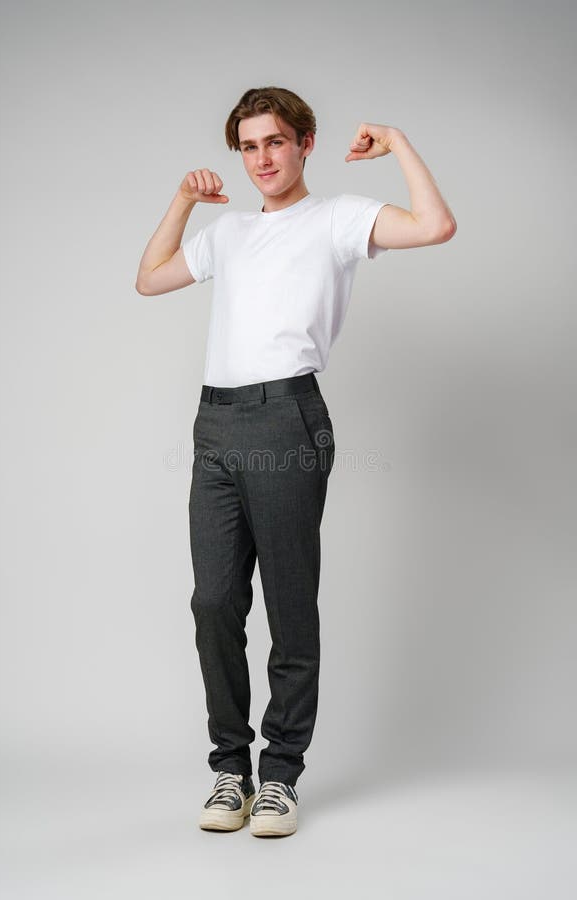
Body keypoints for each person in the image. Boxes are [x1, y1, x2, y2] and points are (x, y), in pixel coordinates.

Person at [135, 86, 456, 838]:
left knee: (287, 602)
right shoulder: (231, 232)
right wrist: (184, 200)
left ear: (304, 142)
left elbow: (437, 226)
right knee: (214, 601)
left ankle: (279, 776)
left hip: (287, 418)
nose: (261, 159)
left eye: (274, 142)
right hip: (215, 422)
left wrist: (400, 142)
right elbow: (149, 278)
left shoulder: (339, 217)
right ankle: (228, 770)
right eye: (248, 147)